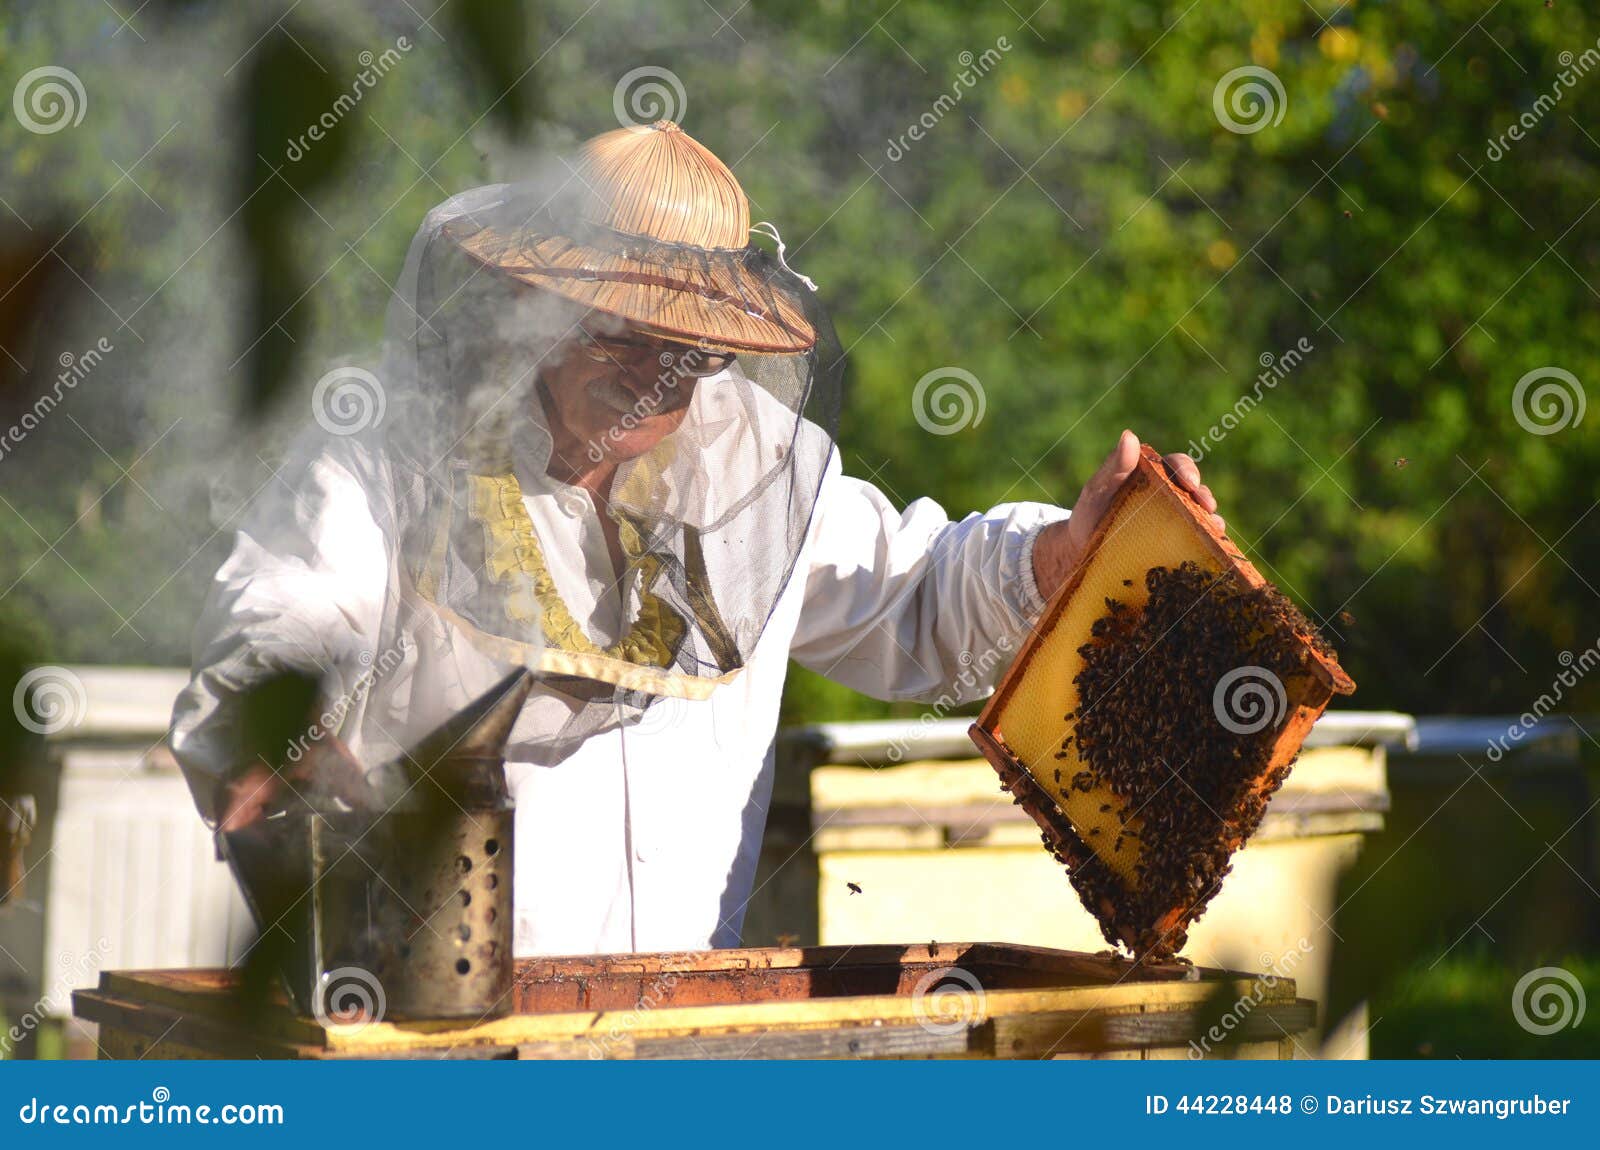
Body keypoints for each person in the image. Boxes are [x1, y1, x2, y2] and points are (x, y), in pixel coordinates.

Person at [170, 120, 1220, 956]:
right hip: (434, 1020)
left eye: (694, 350)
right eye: (620, 331)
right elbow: (288, 620)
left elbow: (911, 595)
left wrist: (1060, 556)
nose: (658, 377)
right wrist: (287, 735)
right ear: (532, 304)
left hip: (679, 1026)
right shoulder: (387, 451)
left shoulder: (749, 455)